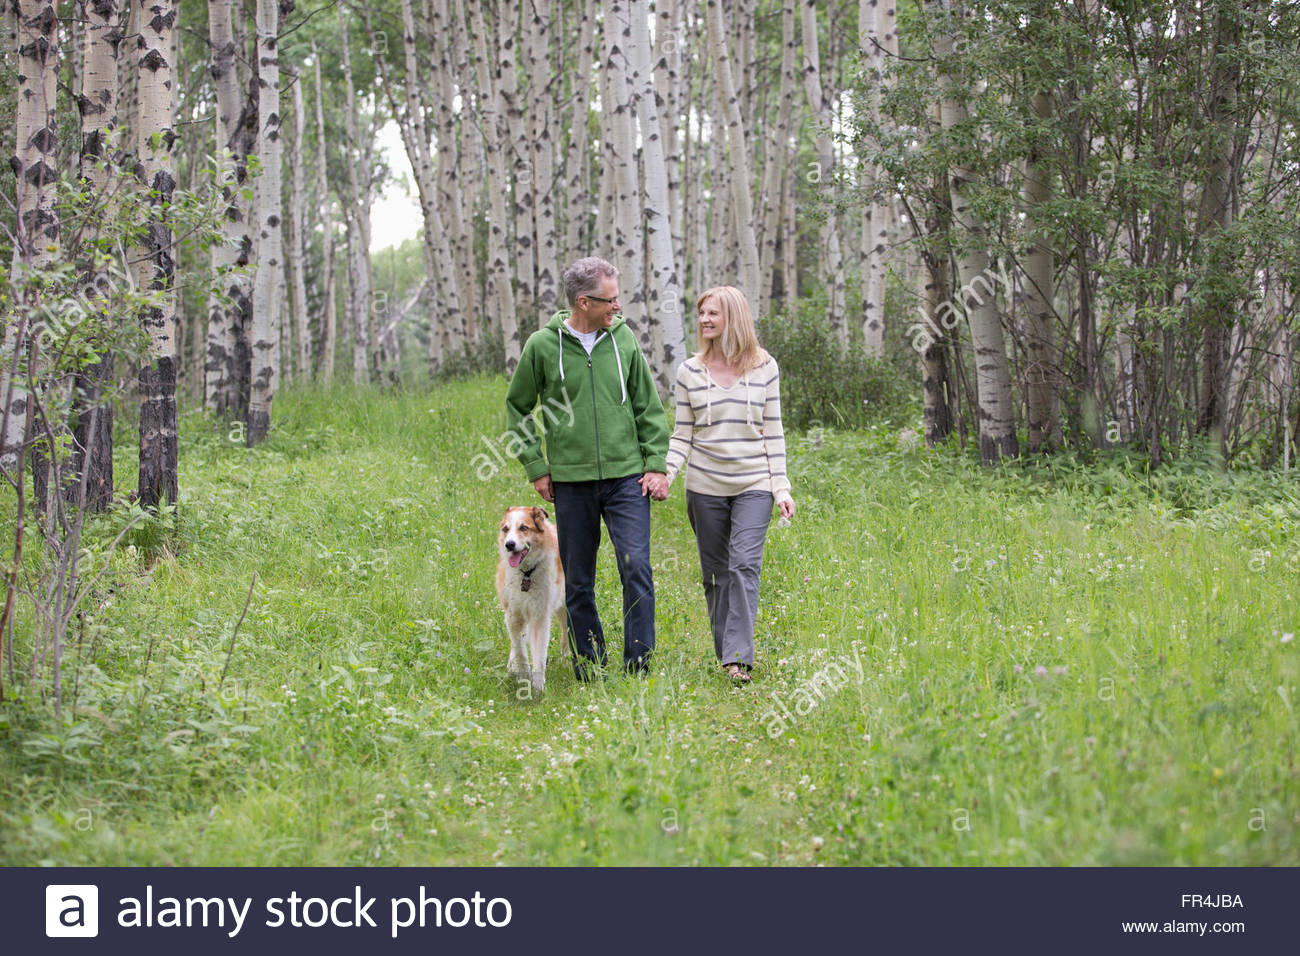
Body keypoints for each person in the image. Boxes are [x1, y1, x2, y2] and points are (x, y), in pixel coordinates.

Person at [505, 256, 670, 679]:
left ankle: (639, 665)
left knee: (636, 567)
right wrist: (537, 466)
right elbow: (518, 409)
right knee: (578, 579)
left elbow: (647, 406)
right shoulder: (543, 346)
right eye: (610, 299)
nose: (618, 306)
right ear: (583, 301)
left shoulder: (625, 340)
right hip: (571, 483)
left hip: (626, 477)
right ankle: (590, 666)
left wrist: (655, 464)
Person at [664, 286, 795, 683]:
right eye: (702, 312)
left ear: (733, 317)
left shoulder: (764, 367)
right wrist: (665, 473)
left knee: (743, 565)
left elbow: (773, 432)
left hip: (753, 484)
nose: (704, 319)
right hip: (704, 486)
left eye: (713, 313)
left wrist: (781, 487)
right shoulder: (689, 371)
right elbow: (681, 434)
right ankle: (728, 653)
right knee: (715, 572)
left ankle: (737, 657)